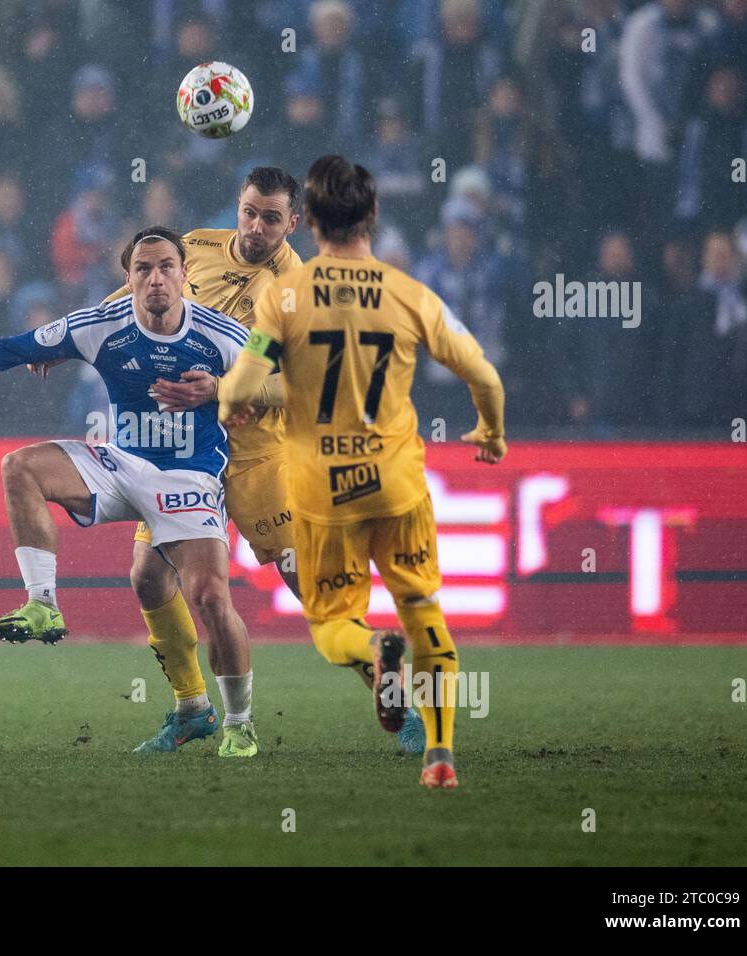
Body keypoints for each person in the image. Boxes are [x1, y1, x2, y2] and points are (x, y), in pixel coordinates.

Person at [36, 167, 425, 755]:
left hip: (254, 454)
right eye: (249, 211)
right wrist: (64, 344)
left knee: (309, 586)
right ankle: (192, 708)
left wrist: (222, 389)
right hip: (177, 452)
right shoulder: (196, 246)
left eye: (271, 218)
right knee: (147, 578)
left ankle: (394, 693)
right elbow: (132, 297)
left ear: (294, 223)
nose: (256, 226)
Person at [0, 227, 279, 758]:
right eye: (144, 269)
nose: (156, 278)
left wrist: (225, 389)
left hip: (191, 477)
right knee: (20, 466)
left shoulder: (225, 334)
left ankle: (238, 722)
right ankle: (42, 604)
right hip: (122, 464)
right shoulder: (101, 325)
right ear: (129, 279)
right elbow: (9, 349)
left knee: (205, 595)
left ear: (186, 275)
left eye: (167, 266)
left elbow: (285, 380)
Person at [218, 156, 508, 788]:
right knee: (423, 609)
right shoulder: (411, 294)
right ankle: (439, 755)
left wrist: (231, 402)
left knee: (331, 625)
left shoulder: (285, 297)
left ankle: (371, 649)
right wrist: (490, 431)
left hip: (323, 490)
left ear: (309, 222)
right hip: (398, 483)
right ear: (372, 216)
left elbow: (247, 381)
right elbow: (483, 373)